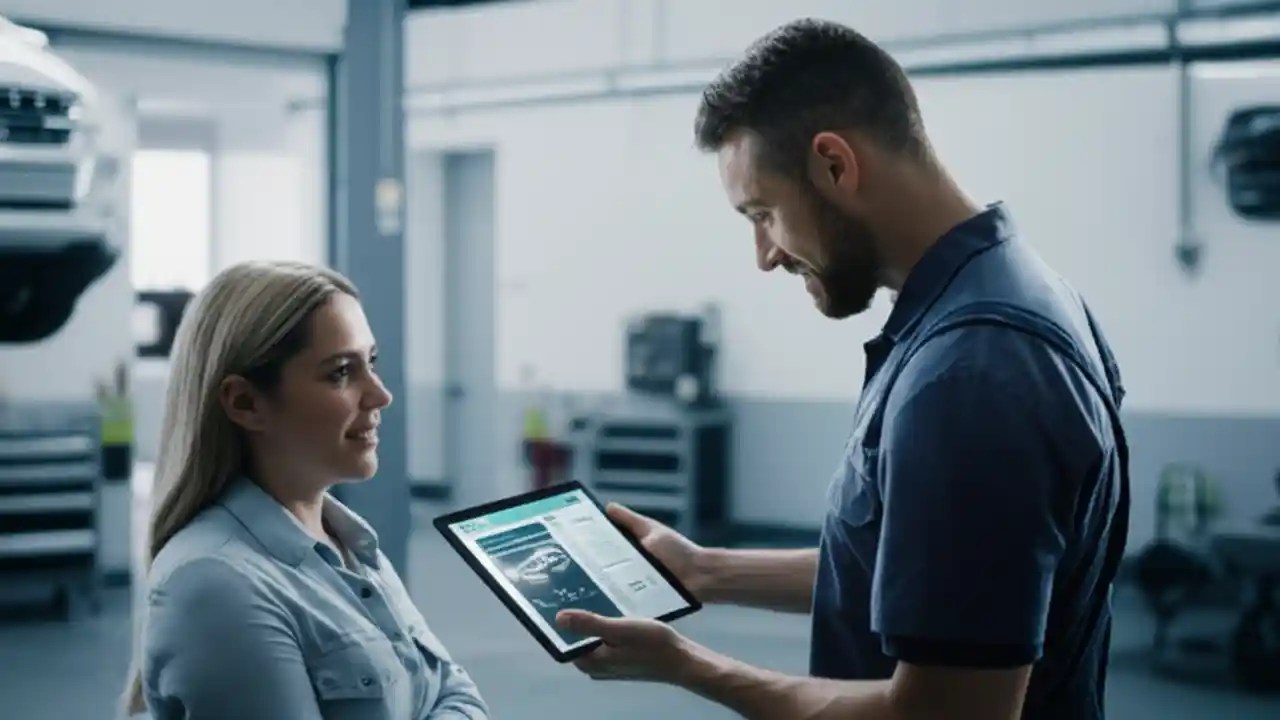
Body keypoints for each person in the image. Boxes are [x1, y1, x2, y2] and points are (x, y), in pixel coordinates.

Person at [556, 18, 1130, 720]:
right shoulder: (1019, 292)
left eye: (763, 214)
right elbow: (927, 572)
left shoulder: (968, 375)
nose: (764, 255)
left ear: (835, 165)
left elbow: (949, 715)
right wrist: (707, 570)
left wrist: (689, 667)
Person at [121, 261, 488, 719]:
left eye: (370, 363)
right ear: (245, 402)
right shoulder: (215, 585)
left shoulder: (350, 543)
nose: (379, 395)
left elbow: (457, 693)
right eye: (340, 373)